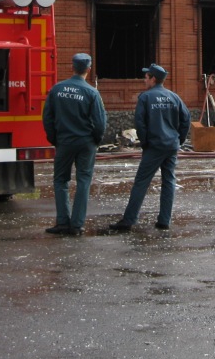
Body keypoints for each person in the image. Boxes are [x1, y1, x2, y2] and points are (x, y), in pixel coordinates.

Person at [109, 64, 191, 232]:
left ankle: (128, 220)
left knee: (141, 182)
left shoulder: (145, 98)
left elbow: (140, 123)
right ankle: (164, 220)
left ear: (153, 79)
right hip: (171, 145)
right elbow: (186, 119)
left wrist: (145, 142)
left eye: (146, 77)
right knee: (168, 181)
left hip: (154, 146)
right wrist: (178, 140)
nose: (144, 79)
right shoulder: (174, 97)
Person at [42, 53, 107, 235]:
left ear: (72, 67)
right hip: (86, 142)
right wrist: (95, 139)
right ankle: (77, 225)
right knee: (84, 181)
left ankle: (62, 222)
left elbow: (47, 117)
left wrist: (54, 138)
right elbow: (100, 122)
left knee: (61, 180)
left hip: (64, 141)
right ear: (88, 69)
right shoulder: (91, 92)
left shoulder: (57, 89)